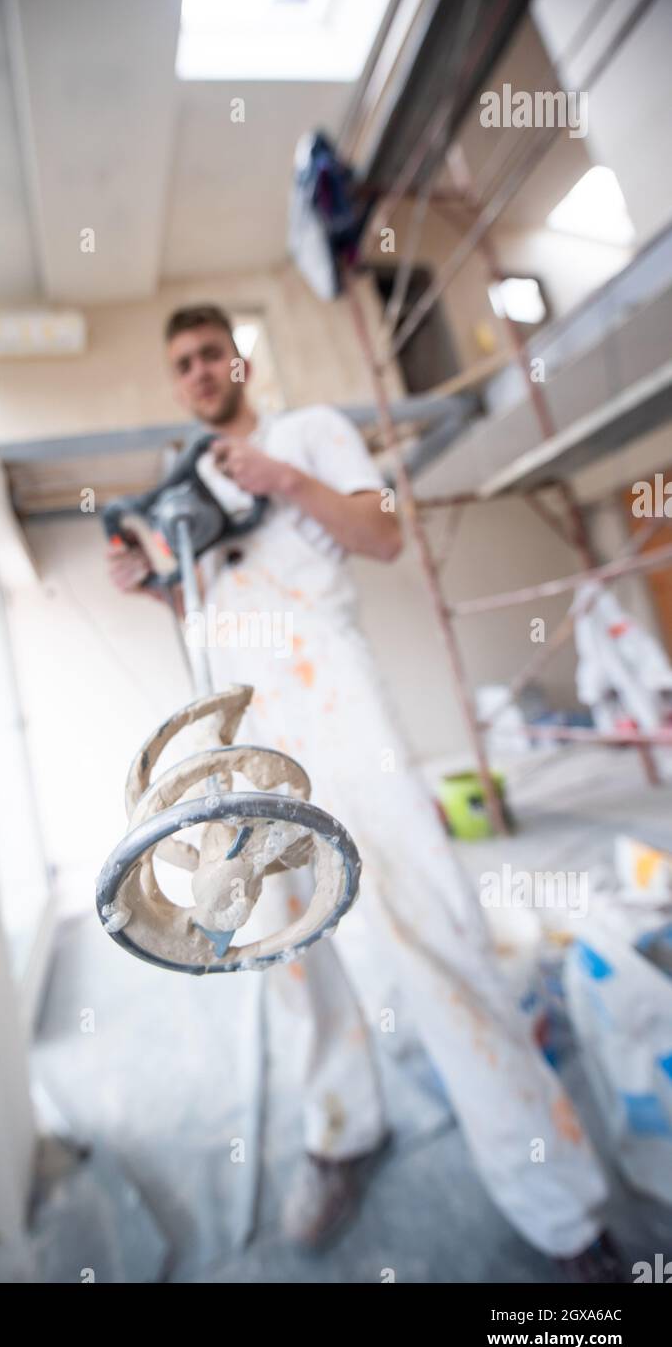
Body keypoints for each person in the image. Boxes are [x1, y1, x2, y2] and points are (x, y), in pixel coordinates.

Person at [108, 303, 621, 1281]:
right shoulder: (188, 487)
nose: (201, 371)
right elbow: (209, 612)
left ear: (238, 359)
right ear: (175, 383)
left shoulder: (308, 434)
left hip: (330, 696)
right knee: (289, 949)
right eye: (183, 362)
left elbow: (383, 537)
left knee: (429, 928)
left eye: (213, 352)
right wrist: (157, 585)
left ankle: (562, 1210)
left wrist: (287, 480)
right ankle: (342, 1129)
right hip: (242, 722)